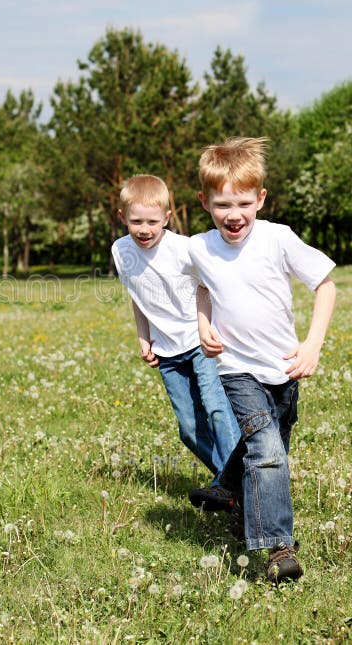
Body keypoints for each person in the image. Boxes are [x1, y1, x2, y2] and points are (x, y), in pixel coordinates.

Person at [190, 137, 336, 583]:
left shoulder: (278, 238)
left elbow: (326, 284)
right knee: (268, 451)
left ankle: (230, 492)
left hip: (283, 368)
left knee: (266, 448)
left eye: (244, 203)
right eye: (222, 205)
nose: (234, 214)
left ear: (261, 199)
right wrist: (202, 325)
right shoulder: (200, 247)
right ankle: (278, 549)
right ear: (204, 202)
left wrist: (312, 345)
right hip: (236, 368)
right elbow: (201, 287)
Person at [111, 174, 241, 510]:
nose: (144, 229)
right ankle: (234, 485)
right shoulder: (121, 251)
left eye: (152, 221)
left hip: (199, 341)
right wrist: (143, 336)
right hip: (167, 352)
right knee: (188, 429)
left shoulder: (184, 249)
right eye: (136, 221)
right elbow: (137, 296)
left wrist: (206, 329)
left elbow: (209, 287)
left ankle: (235, 487)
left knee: (216, 408)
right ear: (122, 217)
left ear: (167, 218)